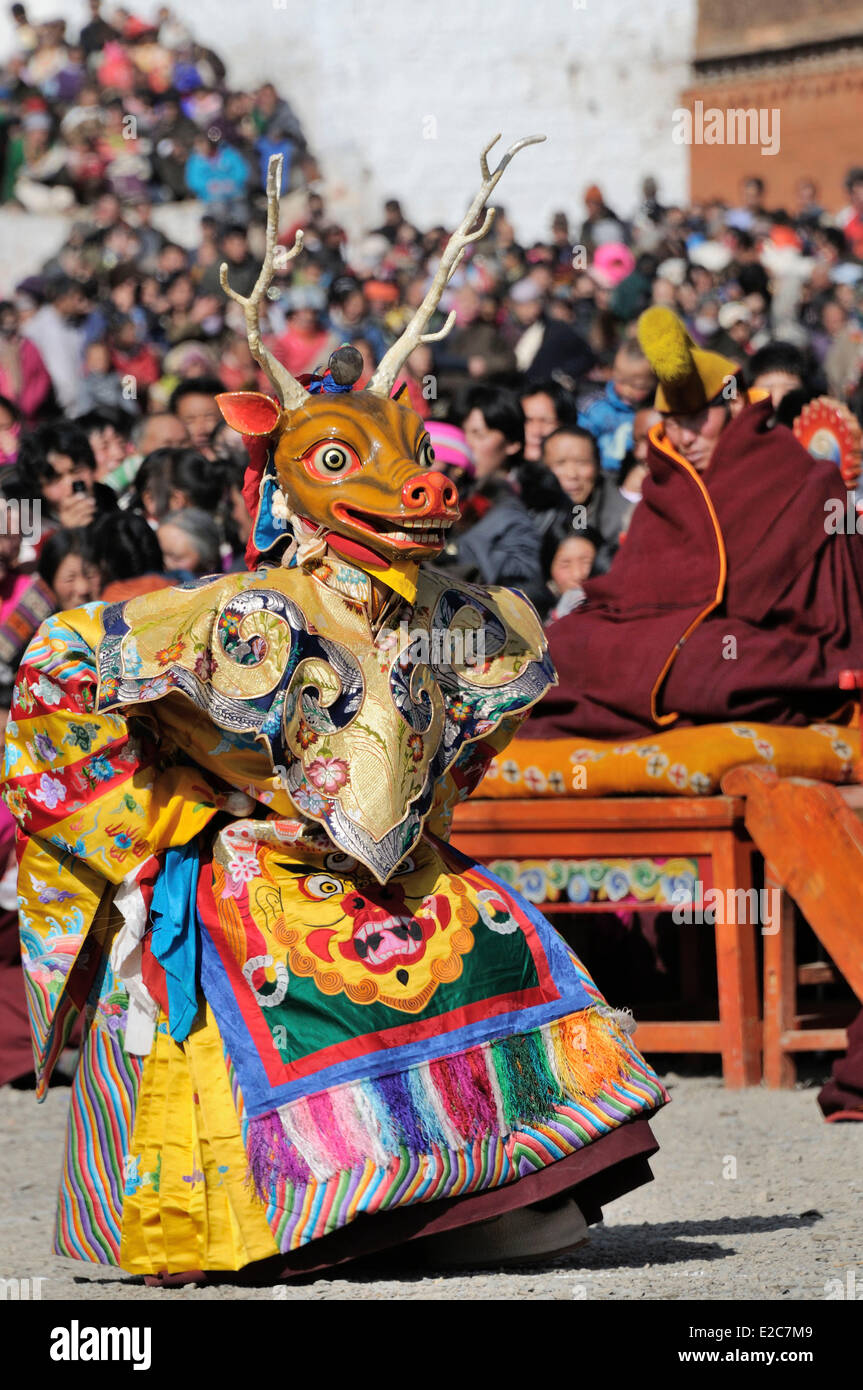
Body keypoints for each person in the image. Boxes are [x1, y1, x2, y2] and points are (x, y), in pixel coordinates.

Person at [3, 147, 664, 1283]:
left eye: (407, 456)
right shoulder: (240, 611)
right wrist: (165, 811)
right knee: (251, 980)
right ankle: (306, 1211)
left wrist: (430, 803)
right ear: (288, 475)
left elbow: (483, 720)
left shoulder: (460, 608)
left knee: (484, 936)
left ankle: (483, 1196)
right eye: (344, 461)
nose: (406, 483)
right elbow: (62, 666)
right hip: (254, 868)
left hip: (396, 867)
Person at [524, 306, 863, 740]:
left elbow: (829, 613)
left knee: (719, 663)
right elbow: (628, 592)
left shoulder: (805, 479)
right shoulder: (666, 485)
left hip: (745, 638)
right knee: (564, 642)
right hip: (660, 631)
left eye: (699, 418)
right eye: (675, 422)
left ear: (734, 403)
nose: (686, 438)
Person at [577, 339, 657, 473]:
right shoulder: (595, 407)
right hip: (601, 472)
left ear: (654, 383)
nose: (627, 390)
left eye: (638, 386)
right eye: (621, 381)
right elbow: (582, 441)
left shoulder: (653, 410)